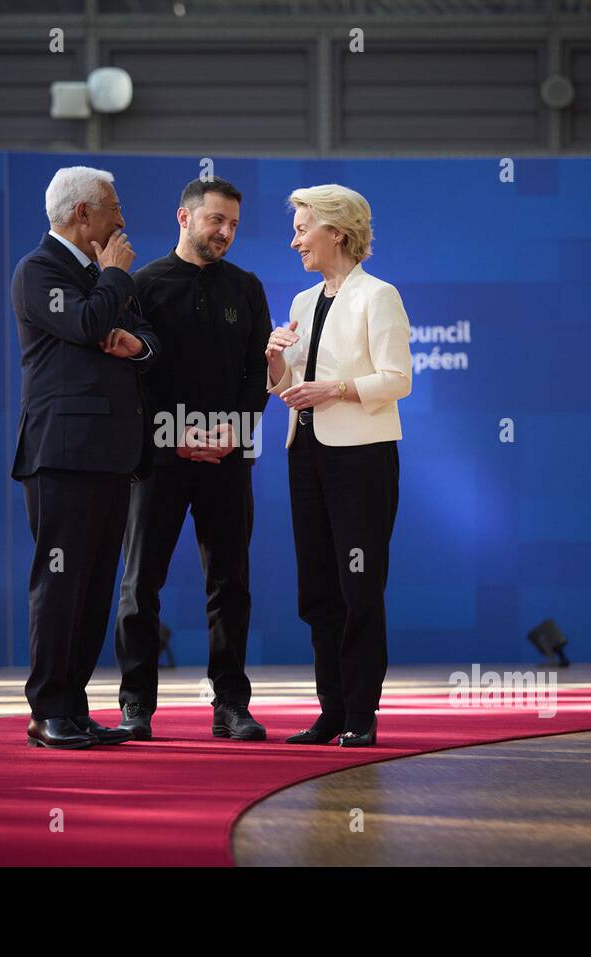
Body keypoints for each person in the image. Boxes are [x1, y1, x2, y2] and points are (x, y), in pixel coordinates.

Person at [114, 178, 272, 741]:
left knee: (230, 582)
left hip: (231, 455)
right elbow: (129, 373)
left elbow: (259, 373)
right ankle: (136, 706)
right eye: (215, 221)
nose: (225, 232)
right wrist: (168, 435)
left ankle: (230, 705)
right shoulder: (142, 285)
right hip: (159, 455)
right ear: (184, 217)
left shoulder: (248, 288)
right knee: (140, 583)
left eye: (233, 223)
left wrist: (234, 429)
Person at [9, 166, 159, 749]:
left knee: (96, 587)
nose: (122, 219)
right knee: (61, 582)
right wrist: (116, 280)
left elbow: (148, 339)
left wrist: (136, 342)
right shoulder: (39, 270)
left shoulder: (105, 277)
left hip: (112, 455)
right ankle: (47, 708)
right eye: (113, 208)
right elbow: (87, 321)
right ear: (82, 215)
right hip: (62, 454)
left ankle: (73, 707)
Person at [266, 184, 411, 748]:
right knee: (317, 591)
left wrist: (338, 388)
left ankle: (360, 715)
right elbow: (288, 390)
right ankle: (330, 711)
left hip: (362, 461)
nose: (294, 238)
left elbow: (398, 379)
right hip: (304, 455)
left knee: (360, 588)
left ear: (338, 233)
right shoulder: (304, 302)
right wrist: (276, 363)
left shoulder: (379, 296)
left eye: (303, 228)